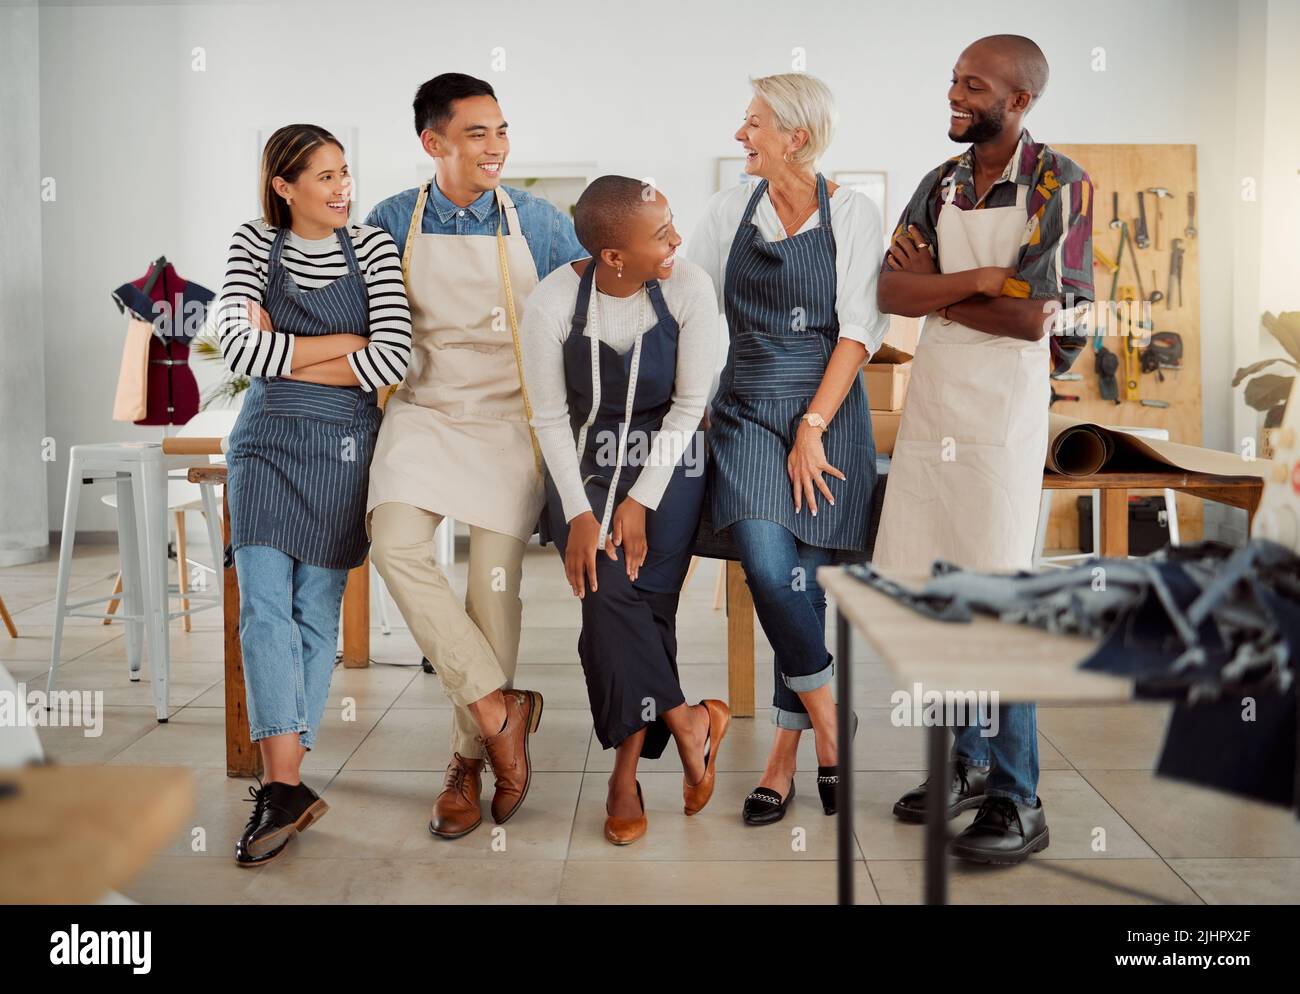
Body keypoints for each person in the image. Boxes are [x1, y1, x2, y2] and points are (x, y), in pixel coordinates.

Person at [874, 35, 1095, 864]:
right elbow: (891, 290)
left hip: (1005, 400)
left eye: (974, 85)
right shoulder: (942, 183)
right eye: (954, 81)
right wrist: (978, 283)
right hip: (938, 401)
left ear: (1022, 100)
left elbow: (1040, 317)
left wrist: (945, 288)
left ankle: (1016, 794)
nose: (955, 95)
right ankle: (963, 764)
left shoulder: (1058, 183)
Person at [364, 73, 586, 839]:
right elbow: (364, 325)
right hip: (424, 413)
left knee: (493, 590)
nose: (496, 147)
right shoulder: (393, 219)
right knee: (393, 544)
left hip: (507, 422)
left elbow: (592, 311)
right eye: (477, 134)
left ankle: (465, 758)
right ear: (434, 143)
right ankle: (500, 710)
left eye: (501, 130)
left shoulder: (542, 223)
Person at [689, 73, 889, 825]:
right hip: (743, 408)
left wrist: (811, 428)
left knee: (802, 586)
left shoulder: (853, 214)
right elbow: (692, 304)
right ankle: (834, 724)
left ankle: (782, 759)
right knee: (770, 571)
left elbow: (861, 330)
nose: (741, 135)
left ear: (794, 136)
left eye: (753, 123)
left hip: (827, 411)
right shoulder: (726, 211)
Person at [219, 123, 412, 865]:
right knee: (263, 607)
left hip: (343, 448)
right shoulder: (251, 244)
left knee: (312, 613)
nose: (341, 190)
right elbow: (241, 350)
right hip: (265, 442)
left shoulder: (371, 249)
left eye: (344, 175)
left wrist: (291, 352)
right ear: (284, 186)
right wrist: (346, 347)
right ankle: (283, 784)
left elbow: (394, 355)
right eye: (324, 177)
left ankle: (283, 790)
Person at [521, 176, 728, 845]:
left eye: (672, 225)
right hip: (580, 467)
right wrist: (580, 513)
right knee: (606, 598)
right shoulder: (553, 300)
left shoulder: (690, 287)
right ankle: (687, 720)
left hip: (670, 467)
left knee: (647, 611)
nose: (675, 241)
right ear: (614, 255)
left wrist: (641, 498)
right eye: (660, 233)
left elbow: (691, 406)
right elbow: (549, 416)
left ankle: (624, 777)